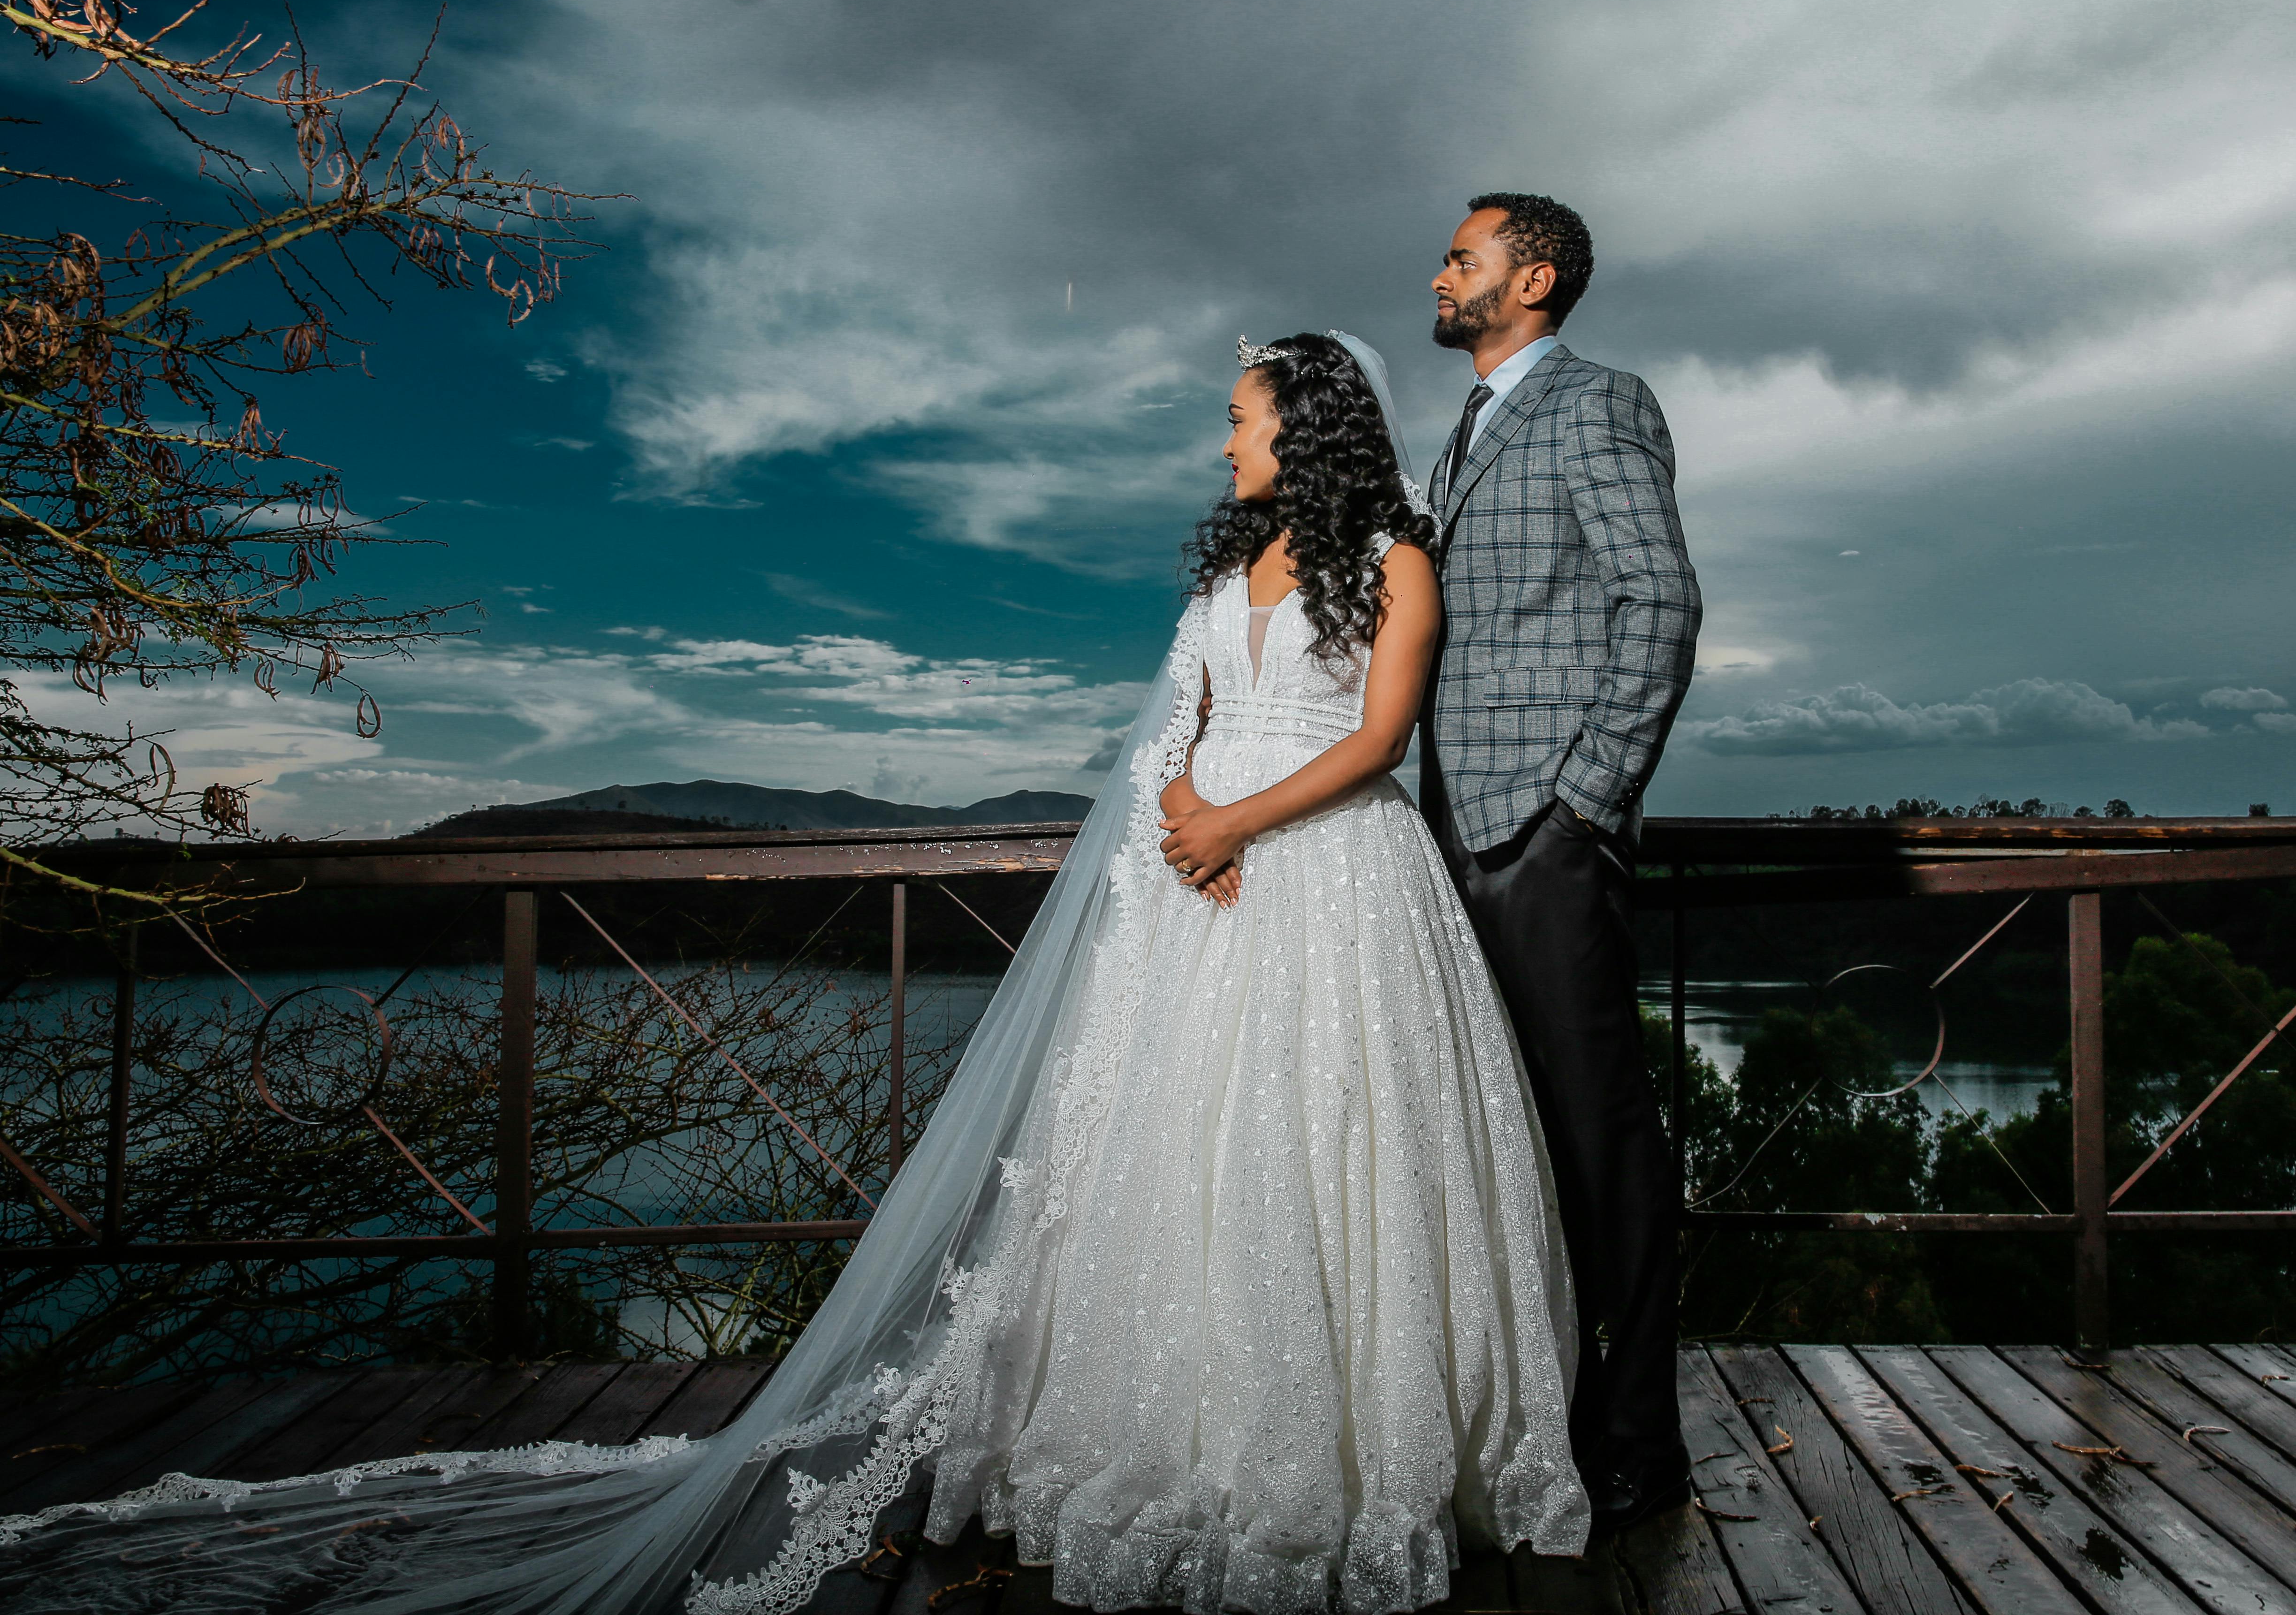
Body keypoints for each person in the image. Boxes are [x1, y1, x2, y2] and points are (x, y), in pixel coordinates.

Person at [0, 332, 1586, 1615]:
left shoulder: (1393, 562)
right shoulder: (1215, 582)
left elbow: (1382, 743)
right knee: (1169, 1160)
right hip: (1197, 877)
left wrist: (1237, 815)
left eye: (1237, 421)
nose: (1218, 445)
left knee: (1326, 1152)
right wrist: (1187, 817)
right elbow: (1166, 726)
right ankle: (1159, 1426)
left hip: (1337, 885)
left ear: (1302, 425)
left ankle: (1321, 1457)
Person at [1419, 195, 1703, 1532]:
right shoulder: (1465, 427)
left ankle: (1641, 1437)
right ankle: (1535, 1414)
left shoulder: (1600, 403)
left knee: (1599, 1135)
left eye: (1462, 256)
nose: (1439, 271)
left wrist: (1585, 801)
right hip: (1442, 830)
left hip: (1540, 831)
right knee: (1499, 1136)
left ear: (1529, 278)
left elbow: (1660, 598)